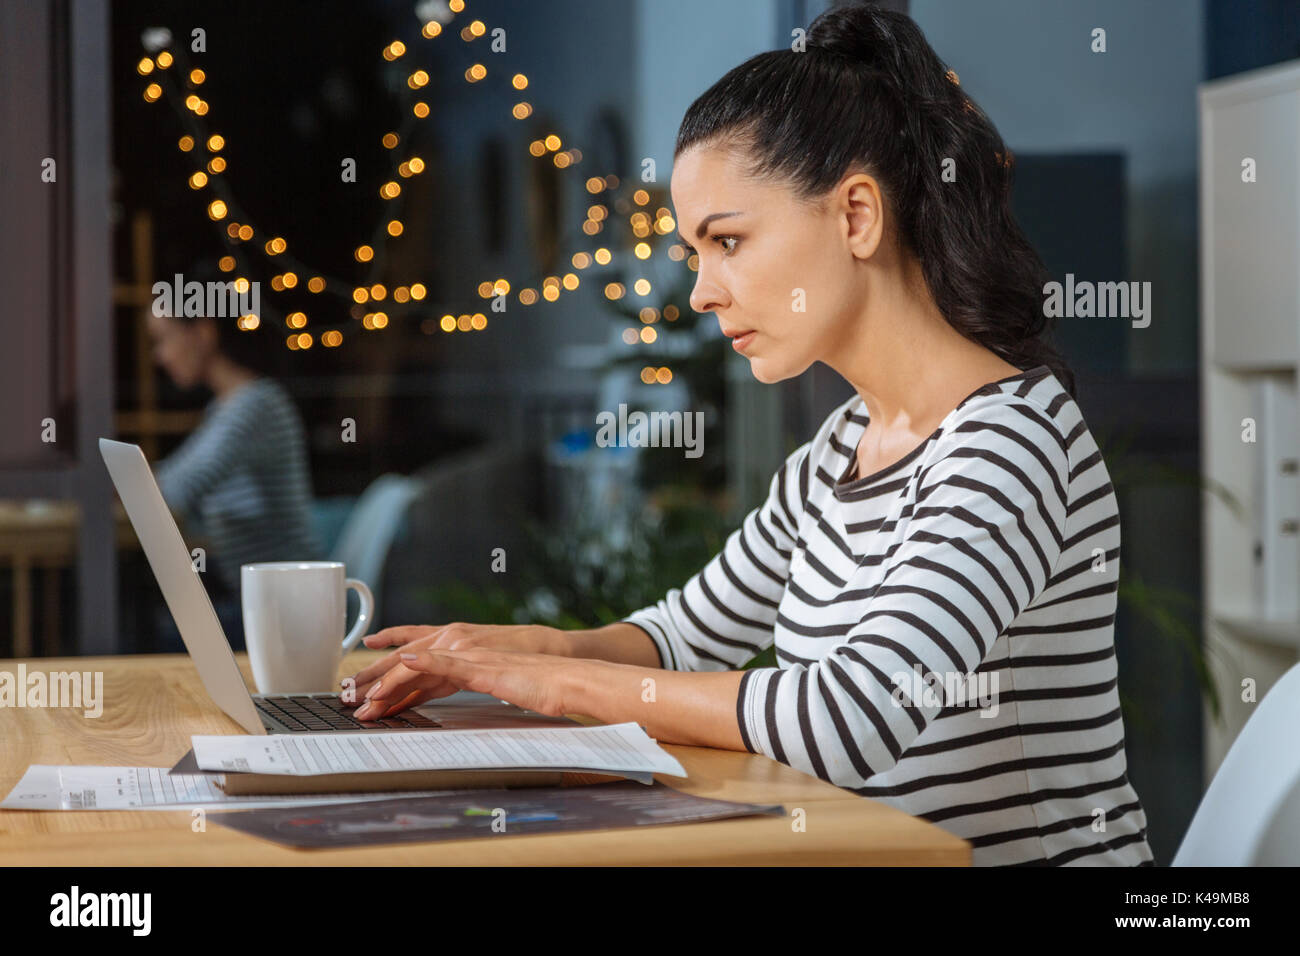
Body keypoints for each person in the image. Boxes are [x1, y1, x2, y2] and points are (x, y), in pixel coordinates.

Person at [346, 3, 1153, 865]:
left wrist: (556, 683)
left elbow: (851, 716)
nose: (701, 291)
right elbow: (682, 638)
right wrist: (509, 652)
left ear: (854, 218)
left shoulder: (1010, 443)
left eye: (726, 240)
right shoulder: (838, 453)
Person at [145, 268, 321, 650]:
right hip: (251, 599)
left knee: (145, 630)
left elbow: (174, 488)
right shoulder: (226, 408)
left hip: (281, 611)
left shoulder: (256, 406)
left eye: (164, 339)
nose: (159, 356)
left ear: (204, 334)